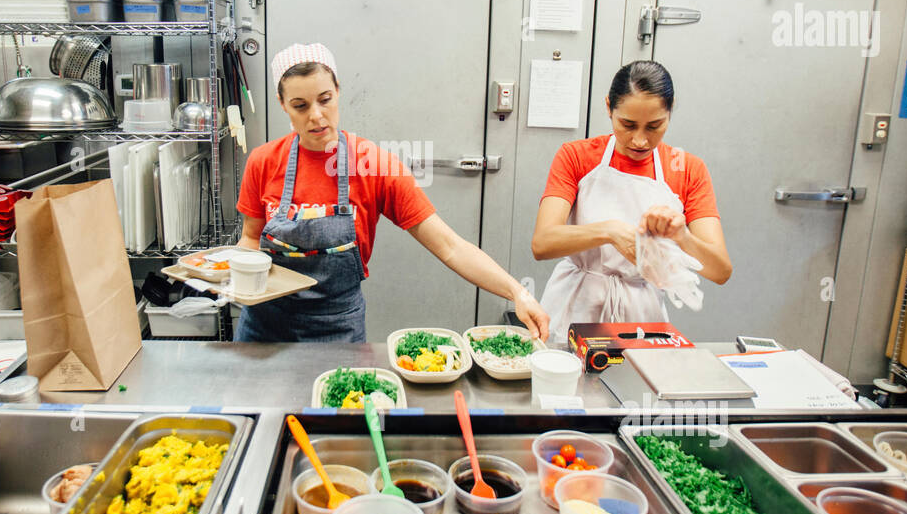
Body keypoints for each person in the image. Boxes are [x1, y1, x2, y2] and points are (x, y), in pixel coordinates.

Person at [235, 43, 549, 343]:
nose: (316, 115)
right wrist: (235, 276)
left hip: (335, 328)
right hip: (264, 326)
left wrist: (517, 292)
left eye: (325, 99)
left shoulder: (375, 165)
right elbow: (251, 237)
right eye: (300, 106)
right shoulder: (263, 162)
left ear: (339, 91)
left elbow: (450, 246)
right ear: (282, 104)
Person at [531, 60, 731, 343]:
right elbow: (542, 243)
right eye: (627, 125)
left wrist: (682, 236)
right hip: (574, 308)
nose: (639, 140)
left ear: (670, 110)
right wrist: (609, 232)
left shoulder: (688, 169)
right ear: (608, 107)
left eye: (654, 126)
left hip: (642, 317)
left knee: (637, 385)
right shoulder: (576, 156)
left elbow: (720, 270)